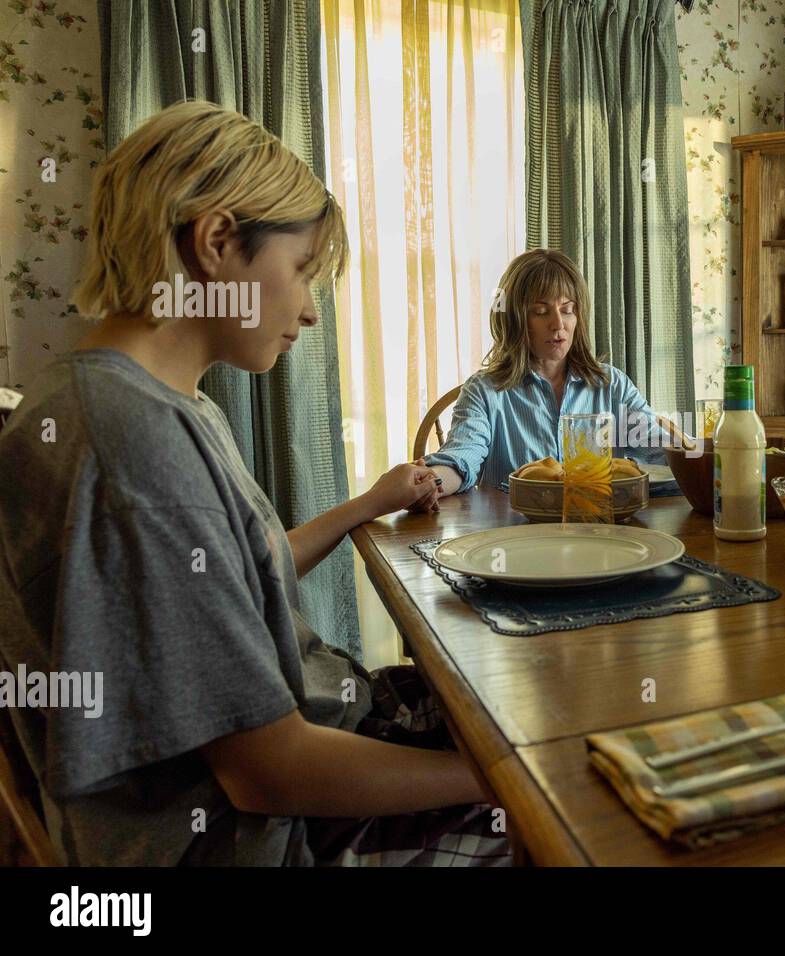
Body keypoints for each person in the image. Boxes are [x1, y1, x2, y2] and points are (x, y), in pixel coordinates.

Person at [0, 101, 510, 866]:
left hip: (318, 737)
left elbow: (238, 577)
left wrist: (369, 503)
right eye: (302, 270)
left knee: (511, 697)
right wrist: (502, 780)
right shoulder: (132, 444)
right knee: (584, 813)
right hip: (264, 837)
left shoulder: (145, 401)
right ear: (216, 243)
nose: (309, 309)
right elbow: (267, 773)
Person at [410, 249, 670, 512]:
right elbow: (462, 456)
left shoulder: (612, 385)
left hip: (598, 535)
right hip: (514, 541)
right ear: (514, 319)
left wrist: (703, 453)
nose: (558, 324)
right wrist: (435, 480)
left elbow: (660, 449)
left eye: (567, 310)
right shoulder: (484, 391)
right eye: (541, 311)